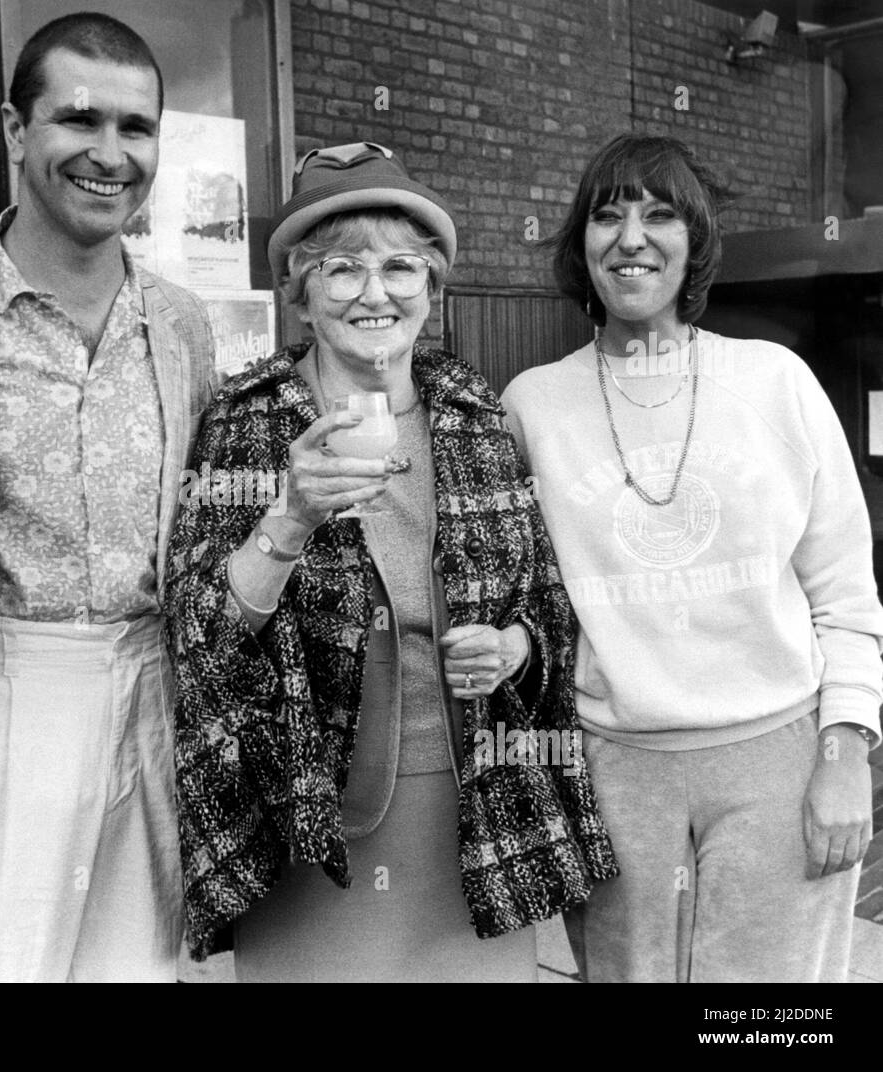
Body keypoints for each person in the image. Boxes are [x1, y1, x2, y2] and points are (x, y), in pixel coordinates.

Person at [163, 142, 617, 982]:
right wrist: (290, 519)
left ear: (432, 289)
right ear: (300, 294)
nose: (375, 294)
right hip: (307, 819)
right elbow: (200, 641)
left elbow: (551, 607)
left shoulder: (476, 416)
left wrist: (514, 647)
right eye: (341, 270)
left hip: (479, 813)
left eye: (401, 267)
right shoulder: (246, 419)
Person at [0, 12, 217, 982]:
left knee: (138, 968)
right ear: (16, 130)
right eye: (79, 119)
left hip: (152, 689)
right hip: (3, 693)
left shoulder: (182, 323)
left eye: (135, 127)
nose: (110, 154)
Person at [501, 133, 883, 982]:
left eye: (660, 215)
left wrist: (846, 753)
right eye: (608, 216)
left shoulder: (776, 382)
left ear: (695, 241)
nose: (631, 238)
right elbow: (515, 597)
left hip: (778, 761)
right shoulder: (533, 405)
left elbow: (845, 594)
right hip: (611, 768)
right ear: (582, 244)